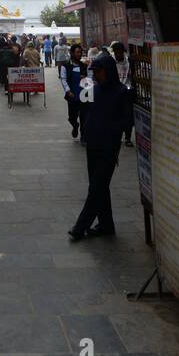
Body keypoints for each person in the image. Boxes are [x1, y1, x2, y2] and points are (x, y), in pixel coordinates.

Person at [68, 52, 130, 241]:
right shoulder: (96, 90)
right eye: (94, 72)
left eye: (99, 71)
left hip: (109, 146)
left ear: (109, 71)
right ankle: (106, 224)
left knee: (96, 188)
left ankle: (80, 226)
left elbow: (128, 121)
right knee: (99, 186)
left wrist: (108, 127)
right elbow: (85, 109)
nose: (97, 75)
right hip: (92, 145)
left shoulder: (122, 92)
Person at [110, 41, 134, 146]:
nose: (117, 55)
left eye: (119, 52)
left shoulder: (129, 61)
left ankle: (128, 138)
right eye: (116, 53)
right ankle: (116, 136)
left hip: (127, 91)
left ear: (123, 52)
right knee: (116, 115)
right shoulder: (111, 61)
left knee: (128, 115)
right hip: (115, 91)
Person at [59, 42, 85, 139]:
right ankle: (75, 125)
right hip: (72, 95)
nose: (79, 54)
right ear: (72, 53)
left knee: (84, 117)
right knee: (72, 117)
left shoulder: (84, 66)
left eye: (80, 52)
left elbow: (90, 79)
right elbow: (63, 79)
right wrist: (68, 91)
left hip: (83, 95)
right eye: (77, 52)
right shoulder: (65, 66)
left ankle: (84, 136)